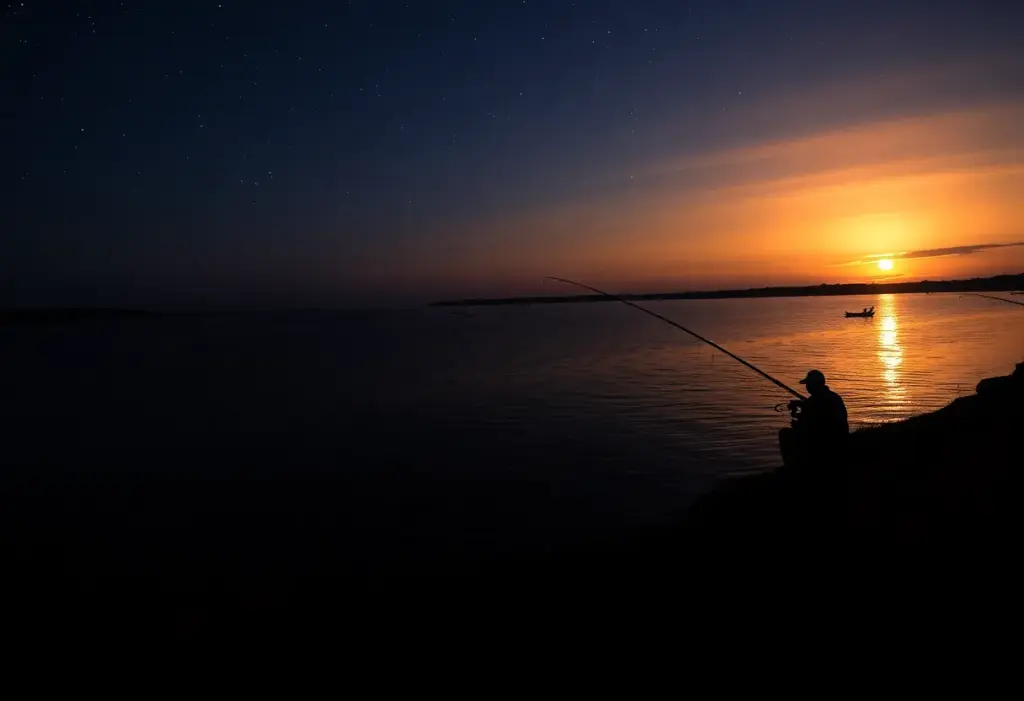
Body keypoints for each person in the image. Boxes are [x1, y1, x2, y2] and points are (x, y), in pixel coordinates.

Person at [778, 369, 849, 468]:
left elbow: (805, 425)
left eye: (808, 384)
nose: (807, 387)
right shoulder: (834, 397)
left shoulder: (814, 402)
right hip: (839, 441)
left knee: (784, 433)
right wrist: (802, 407)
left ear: (814, 385)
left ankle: (792, 467)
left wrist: (798, 415)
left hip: (825, 444)